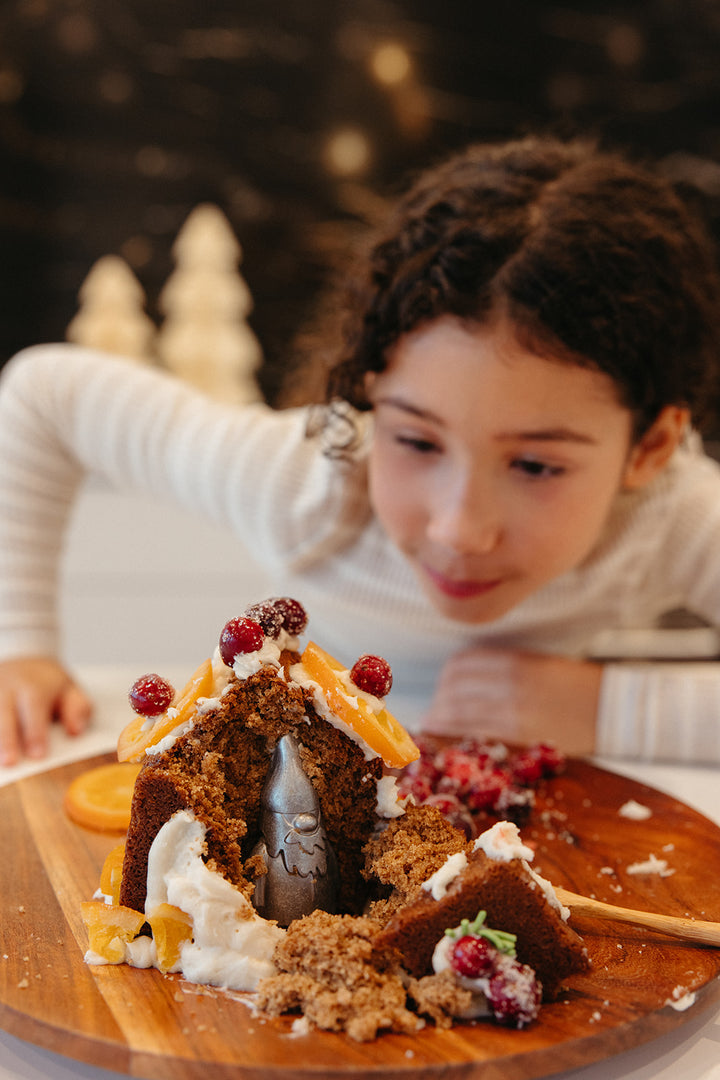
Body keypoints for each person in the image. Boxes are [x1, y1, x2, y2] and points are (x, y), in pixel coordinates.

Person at [1, 133, 720, 767]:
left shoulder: (671, 513)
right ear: (371, 395)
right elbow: (45, 395)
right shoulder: (301, 478)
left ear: (649, 449)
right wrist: (19, 646)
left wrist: (604, 710)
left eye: (536, 465)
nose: (458, 529)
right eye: (415, 439)